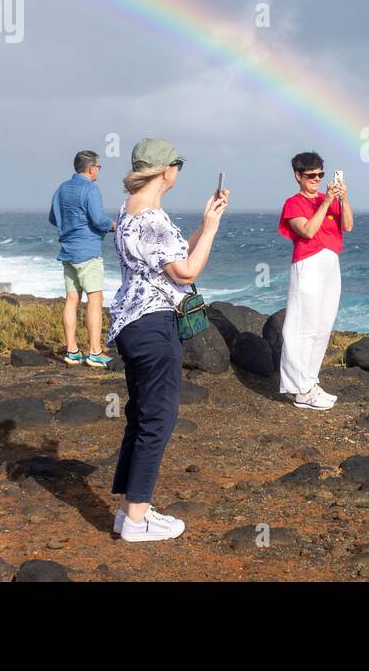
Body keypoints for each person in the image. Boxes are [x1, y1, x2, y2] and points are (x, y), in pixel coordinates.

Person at [107, 137, 227, 542]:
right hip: (154, 328)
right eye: (177, 164)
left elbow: (168, 259)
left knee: (141, 416)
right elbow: (188, 272)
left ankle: (130, 512)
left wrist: (201, 224)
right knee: (157, 418)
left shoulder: (130, 211)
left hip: (130, 324)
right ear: (165, 171)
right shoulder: (152, 218)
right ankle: (137, 520)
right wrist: (211, 229)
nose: (178, 171)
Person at [277, 151, 352, 411]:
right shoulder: (293, 203)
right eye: (311, 175)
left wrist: (343, 199)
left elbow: (348, 225)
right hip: (308, 263)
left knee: (322, 327)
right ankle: (300, 389)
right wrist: (326, 202)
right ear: (298, 176)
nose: (317, 179)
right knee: (301, 327)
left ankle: (310, 382)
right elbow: (307, 231)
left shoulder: (327, 198)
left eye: (320, 174)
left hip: (331, 263)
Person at [48, 150, 116, 366]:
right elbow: (98, 220)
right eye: (98, 167)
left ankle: (72, 351)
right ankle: (95, 353)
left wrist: (68, 227)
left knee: (72, 299)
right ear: (91, 168)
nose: (98, 171)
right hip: (87, 252)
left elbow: (53, 217)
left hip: (68, 251)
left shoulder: (62, 189)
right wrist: (114, 226)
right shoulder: (91, 189)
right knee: (95, 299)